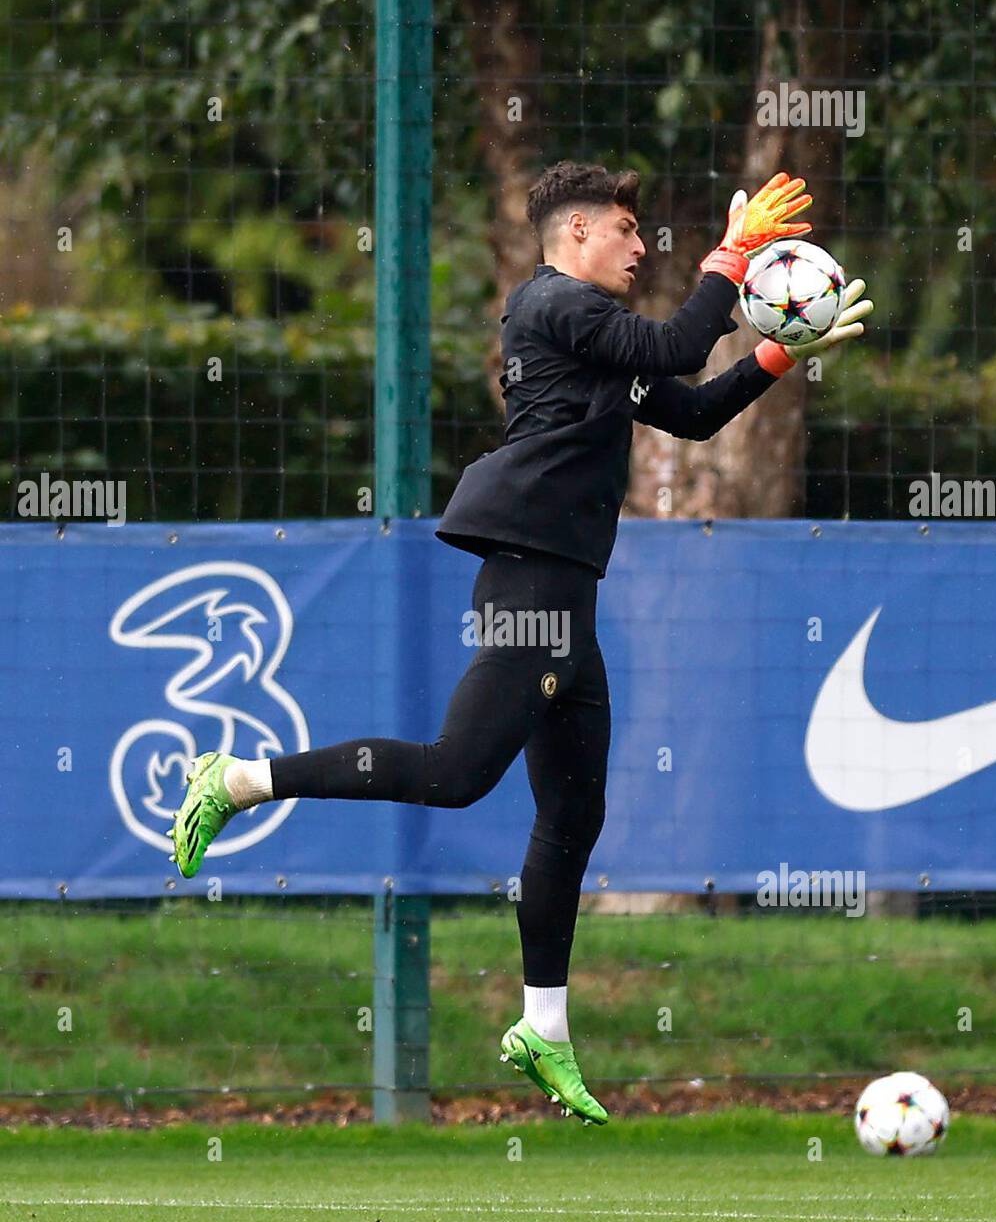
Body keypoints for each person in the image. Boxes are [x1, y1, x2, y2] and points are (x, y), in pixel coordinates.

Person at [169, 161, 872, 1124]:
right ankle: (242, 780)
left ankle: (543, 1027)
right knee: (458, 771)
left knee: (576, 811)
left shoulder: (598, 345)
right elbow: (673, 344)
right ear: (577, 232)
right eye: (627, 229)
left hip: (567, 601)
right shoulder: (550, 305)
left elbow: (695, 409)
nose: (638, 246)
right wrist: (732, 259)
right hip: (530, 584)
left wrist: (782, 351)